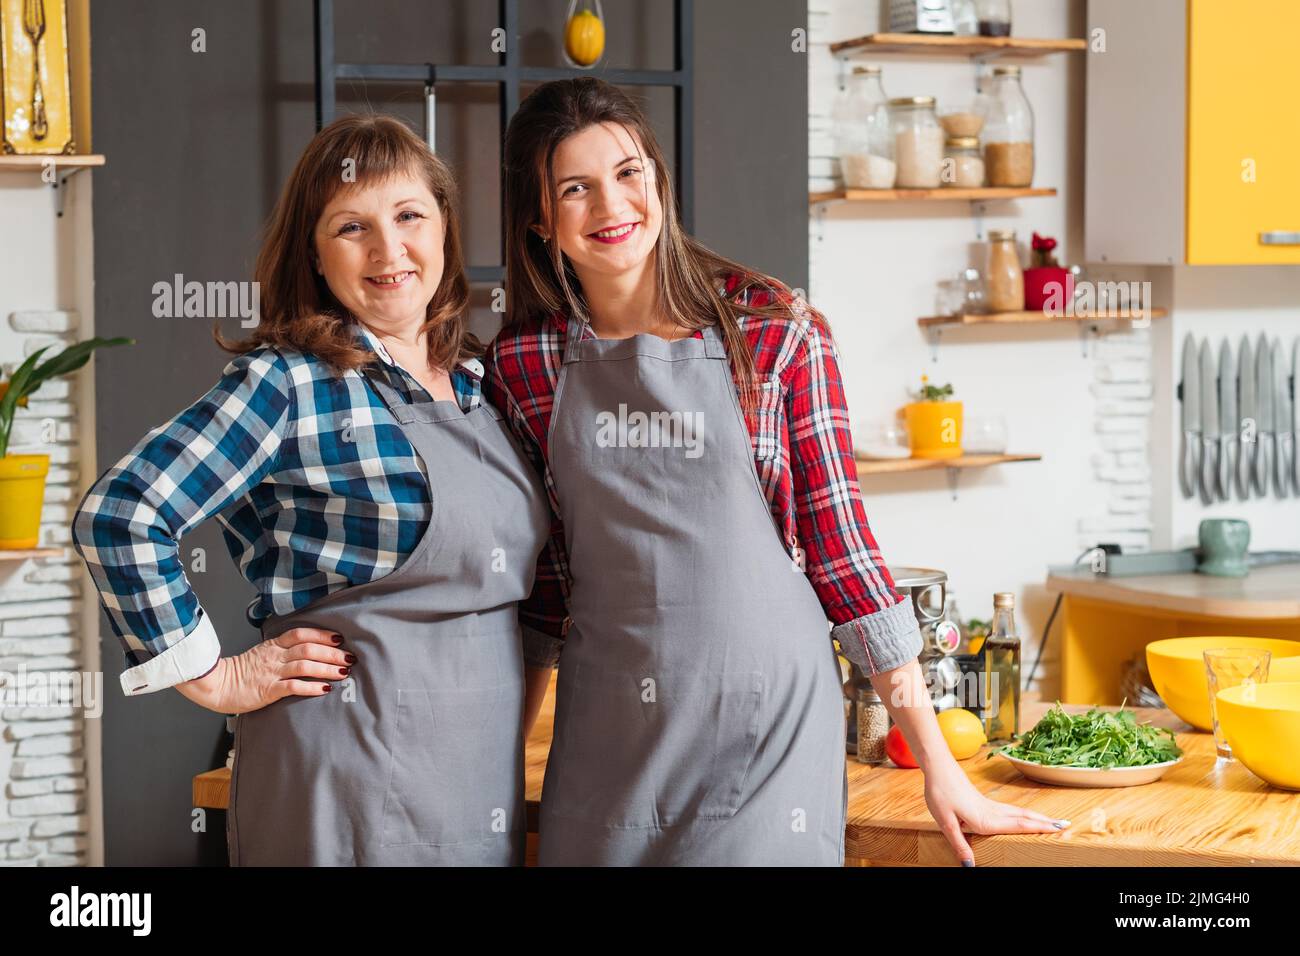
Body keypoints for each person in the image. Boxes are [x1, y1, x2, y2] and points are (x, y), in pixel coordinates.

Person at [486, 78, 1068, 866]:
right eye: (576, 189)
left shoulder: (771, 329)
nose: (611, 205)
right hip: (608, 739)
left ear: (658, 179)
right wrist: (492, 778)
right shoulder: (524, 363)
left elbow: (844, 555)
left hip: (764, 739)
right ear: (540, 218)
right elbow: (547, 590)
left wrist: (938, 766)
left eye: (628, 173)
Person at [72, 114, 549, 866]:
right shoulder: (290, 382)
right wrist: (214, 677)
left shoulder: (482, 385)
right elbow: (121, 514)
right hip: (341, 774)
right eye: (352, 226)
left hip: (474, 780)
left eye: (409, 216)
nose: (389, 250)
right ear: (316, 256)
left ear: (445, 230)